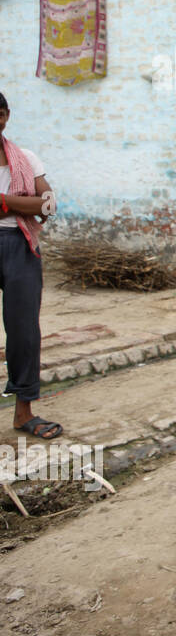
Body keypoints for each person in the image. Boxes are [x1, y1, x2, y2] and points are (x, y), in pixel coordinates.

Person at [0, 93, 59, 439]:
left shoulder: (26, 158)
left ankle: (24, 413)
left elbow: (49, 205)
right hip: (18, 232)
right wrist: (24, 203)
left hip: (20, 246)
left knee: (24, 331)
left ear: (5, 116)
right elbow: (37, 202)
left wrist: (4, 202)